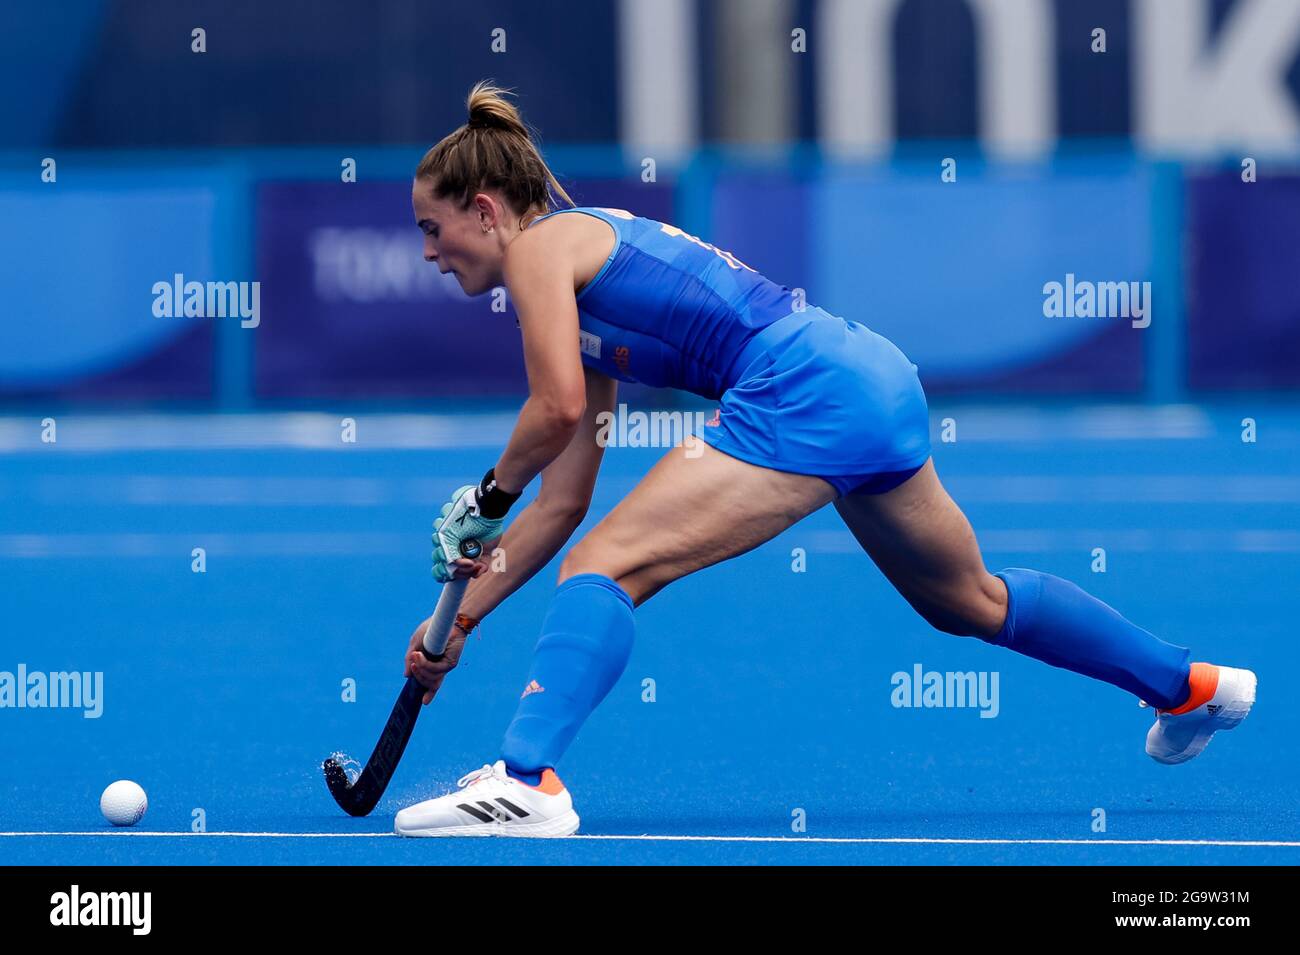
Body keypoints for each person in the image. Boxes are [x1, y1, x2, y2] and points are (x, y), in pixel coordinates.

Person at [392, 81, 1256, 838]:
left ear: (486, 209)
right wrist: (465, 616)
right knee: (968, 601)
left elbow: (552, 412)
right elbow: (563, 493)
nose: (430, 253)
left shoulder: (544, 247)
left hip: (799, 383)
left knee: (607, 568)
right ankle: (1190, 686)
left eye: (434, 229)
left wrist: (484, 493)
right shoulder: (569, 287)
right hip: (864, 373)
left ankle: (526, 778)